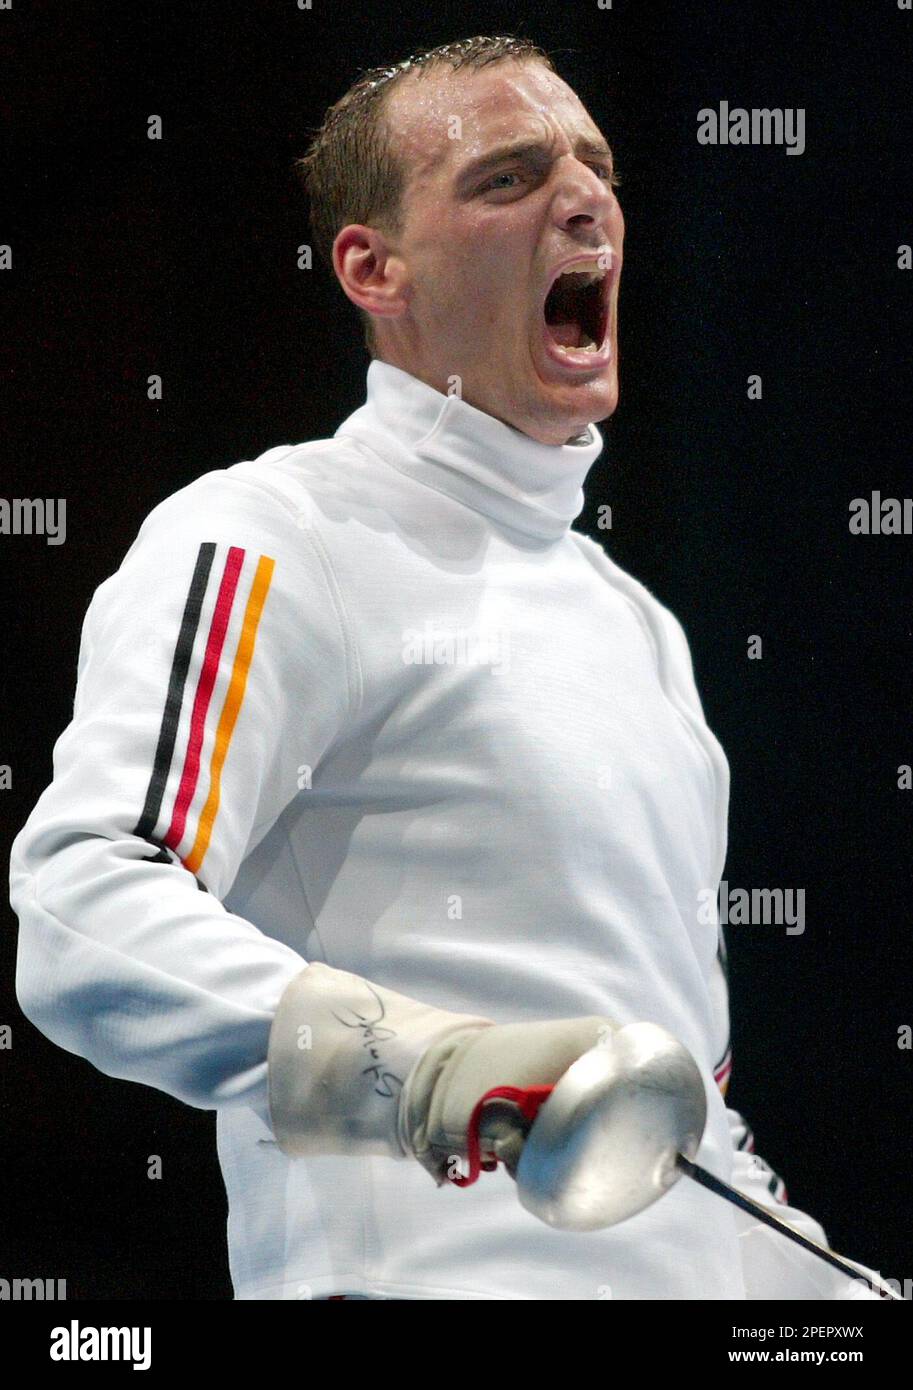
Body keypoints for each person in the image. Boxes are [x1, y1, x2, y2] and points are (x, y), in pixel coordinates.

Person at [9, 35, 881, 1301]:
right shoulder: (273, 535)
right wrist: (423, 1067)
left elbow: (681, 1142)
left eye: (597, 169)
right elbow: (80, 909)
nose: (583, 201)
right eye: (507, 178)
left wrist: (835, 1303)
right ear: (375, 270)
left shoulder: (638, 627)